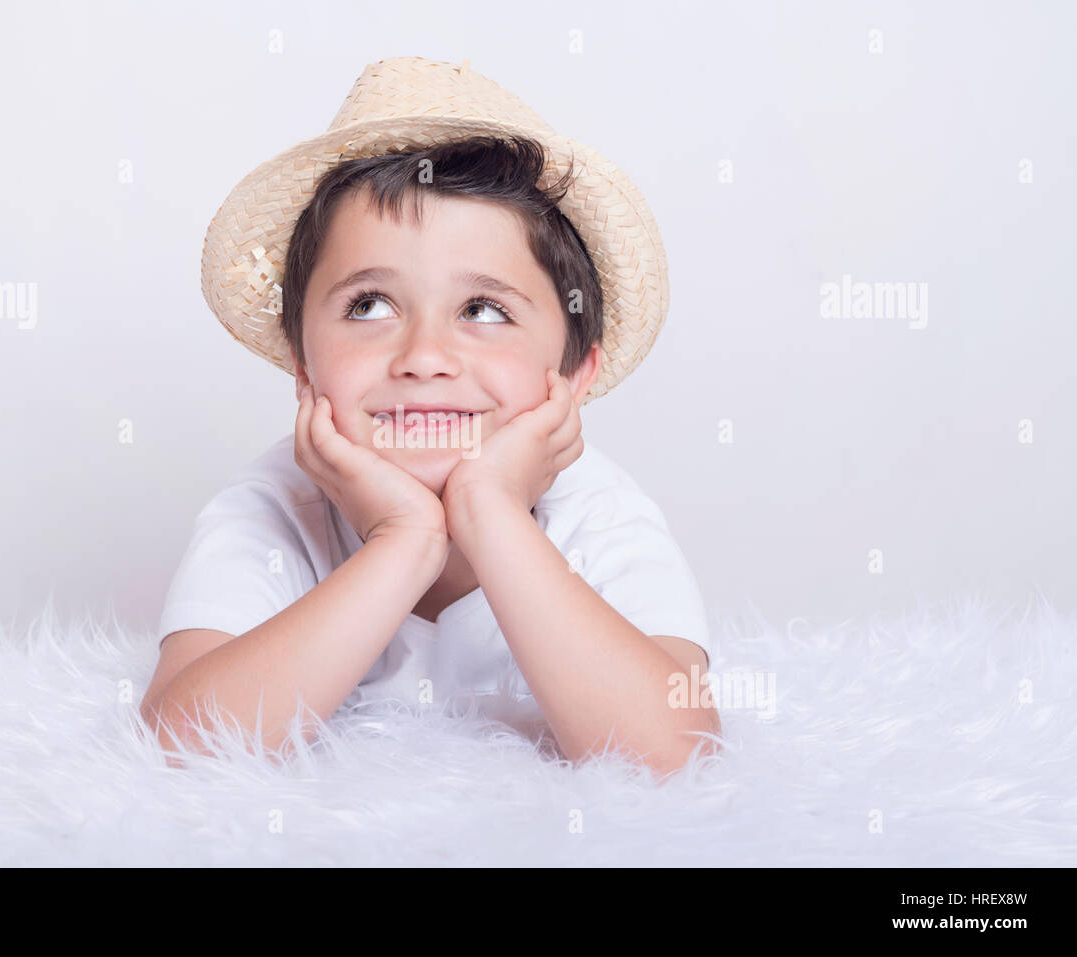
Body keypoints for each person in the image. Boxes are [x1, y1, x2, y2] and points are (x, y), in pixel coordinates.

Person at [141, 57, 721, 774]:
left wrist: (493, 514)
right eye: (369, 305)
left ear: (572, 375)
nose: (423, 356)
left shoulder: (599, 516)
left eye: (483, 310)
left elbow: (678, 753)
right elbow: (179, 746)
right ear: (301, 364)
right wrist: (404, 540)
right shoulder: (270, 512)